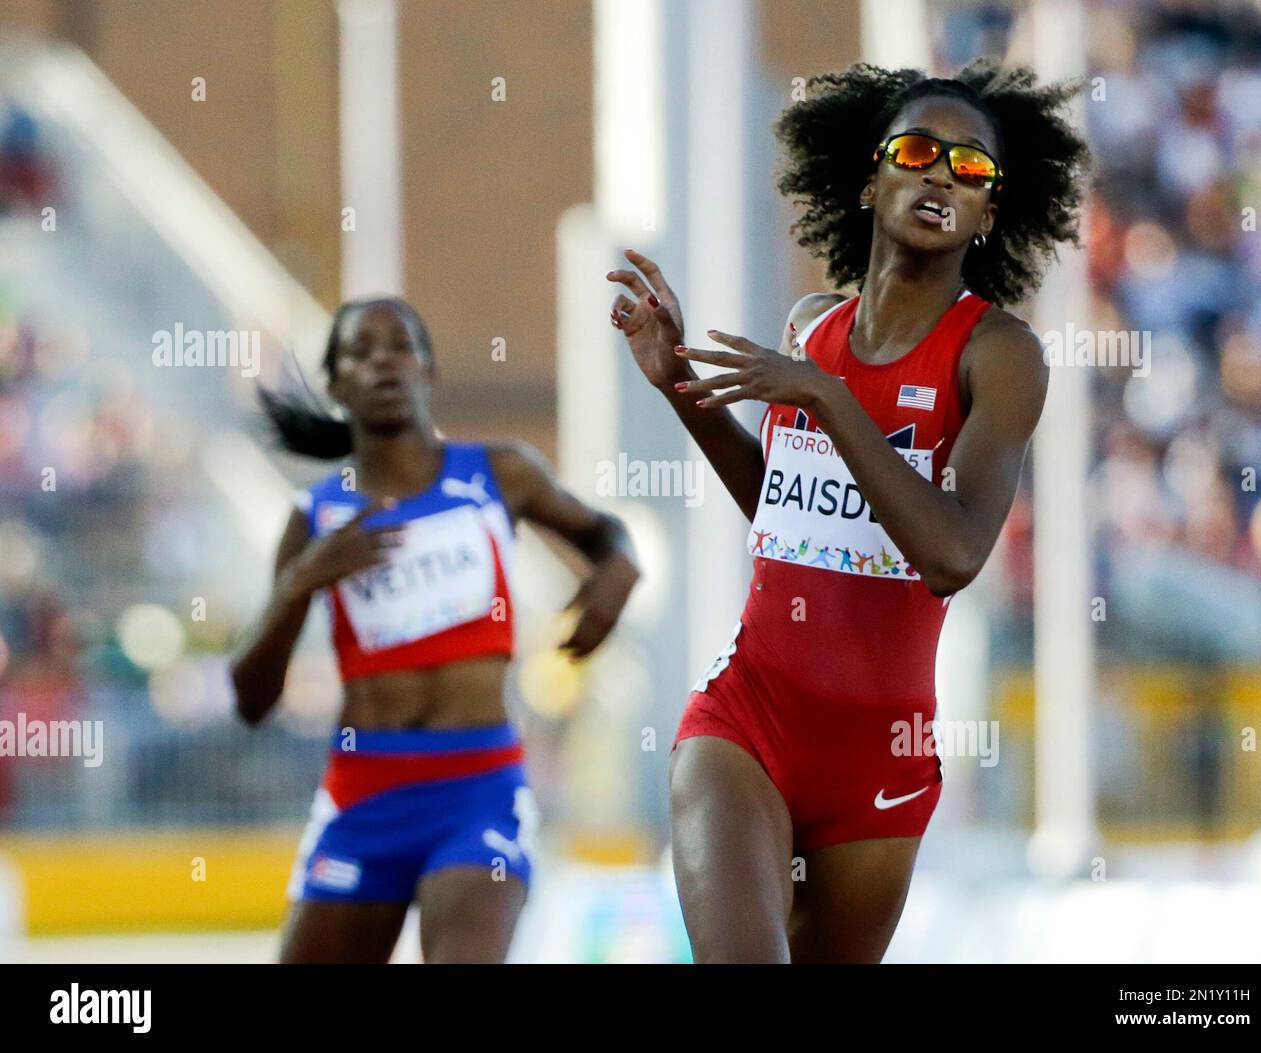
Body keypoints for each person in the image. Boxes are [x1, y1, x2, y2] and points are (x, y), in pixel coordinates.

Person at [607, 60, 1087, 963]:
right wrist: (677, 382)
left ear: (990, 213)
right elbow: (785, 515)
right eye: (918, 152)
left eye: (972, 168)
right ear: (871, 180)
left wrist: (829, 399)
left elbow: (952, 554)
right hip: (749, 715)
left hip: (882, 757)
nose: (942, 173)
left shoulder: (998, 354)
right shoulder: (810, 329)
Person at [230, 296, 639, 963]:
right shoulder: (315, 517)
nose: (383, 360)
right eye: (361, 351)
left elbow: (605, 533)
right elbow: (251, 700)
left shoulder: (501, 473)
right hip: (364, 796)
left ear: (429, 368)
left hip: (478, 790)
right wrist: (302, 581)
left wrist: (618, 574)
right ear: (335, 385)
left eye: (401, 345)